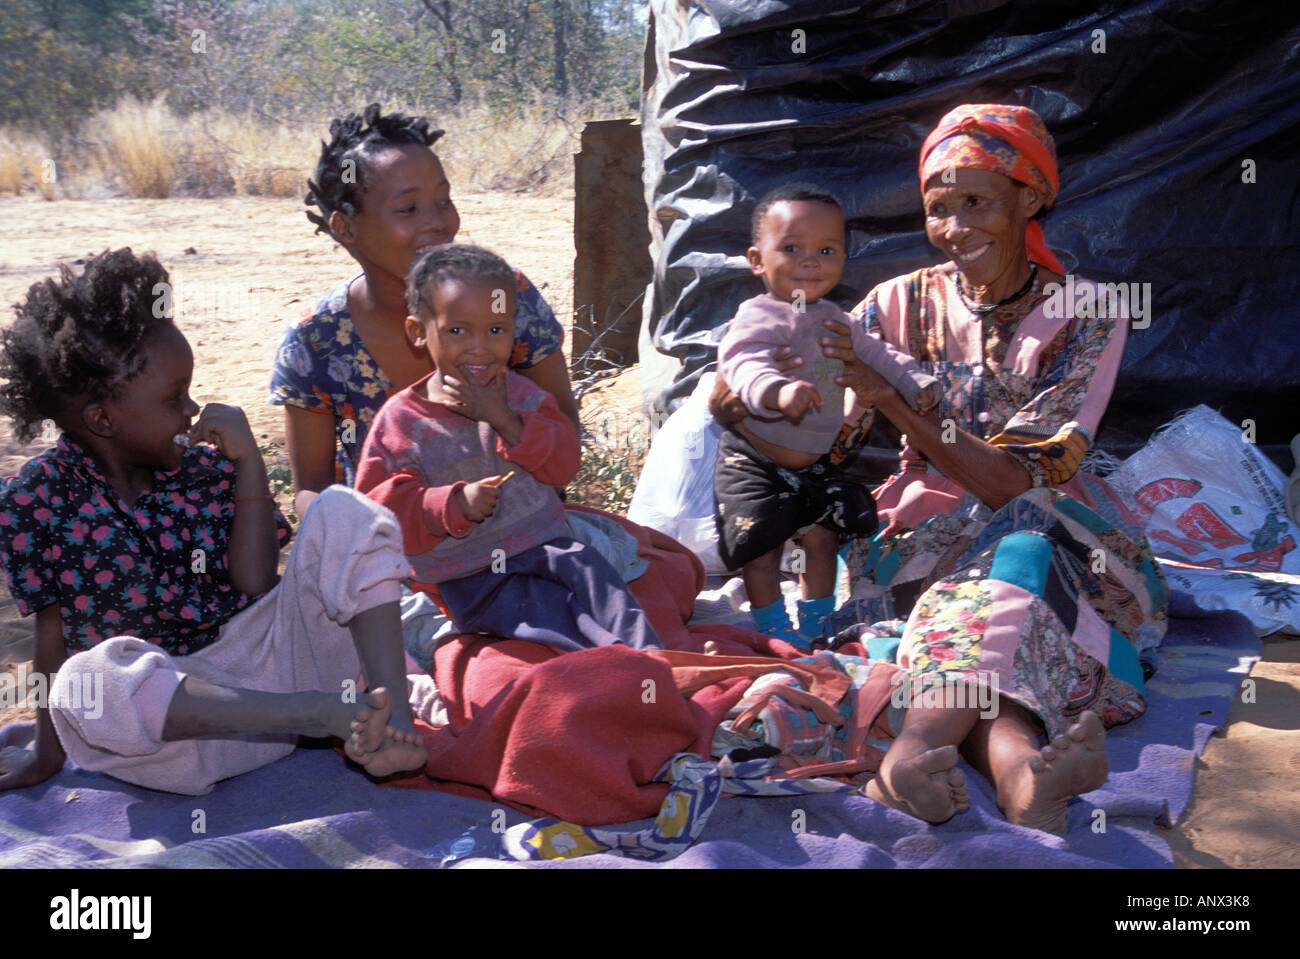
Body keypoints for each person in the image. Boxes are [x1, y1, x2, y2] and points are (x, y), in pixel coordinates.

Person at [712, 104, 1168, 834]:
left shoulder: (1089, 314)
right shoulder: (893, 304)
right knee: (1002, 591)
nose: (956, 228)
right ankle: (1021, 772)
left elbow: (1021, 483)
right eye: (938, 209)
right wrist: (740, 400)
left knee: (1018, 549)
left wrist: (892, 398)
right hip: (917, 536)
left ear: (1031, 196)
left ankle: (917, 751)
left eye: (977, 202)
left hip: (1053, 524)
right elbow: (818, 426)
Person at [0, 249, 426, 795]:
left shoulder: (205, 468)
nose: (191, 408)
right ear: (102, 418)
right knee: (85, 682)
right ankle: (320, 716)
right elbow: (51, 637)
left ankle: (391, 720)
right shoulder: (37, 498)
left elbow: (254, 583)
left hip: (272, 670)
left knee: (341, 508)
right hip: (187, 735)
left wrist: (247, 464)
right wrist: (44, 755)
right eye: (175, 397)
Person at [270, 104, 579, 516]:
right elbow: (311, 490)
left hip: (522, 537)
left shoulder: (505, 295)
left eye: (444, 200)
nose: (438, 222)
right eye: (408, 209)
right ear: (345, 227)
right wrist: (352, 527)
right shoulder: (315, 341)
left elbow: (564, 436)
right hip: (386, 554)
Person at [354, 244, 660, 652]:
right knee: (546, 621)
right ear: (417, 332)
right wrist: (449, 504)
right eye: (458, 330)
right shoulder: (402, 423)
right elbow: (375, 513)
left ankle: (651, 662)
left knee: (597, 579)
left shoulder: (523, 397)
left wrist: (505, 420)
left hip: (546, 547)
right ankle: (607, 666)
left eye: (495, 330)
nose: (480, 346)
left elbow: (563, 467)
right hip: (471, 576)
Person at [714, 183, 936, 647]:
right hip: (755, 458)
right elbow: (742, 364)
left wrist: (915, 382)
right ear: (757, 260)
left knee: (821, 541)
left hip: (815, 461)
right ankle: (774, 629)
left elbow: (879, 354)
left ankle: (815, 623)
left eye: (827, 249)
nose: (810, 261)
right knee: (760, 547)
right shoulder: (760, 315)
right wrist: (778, 390)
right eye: (792, 248)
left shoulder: (836, 317)